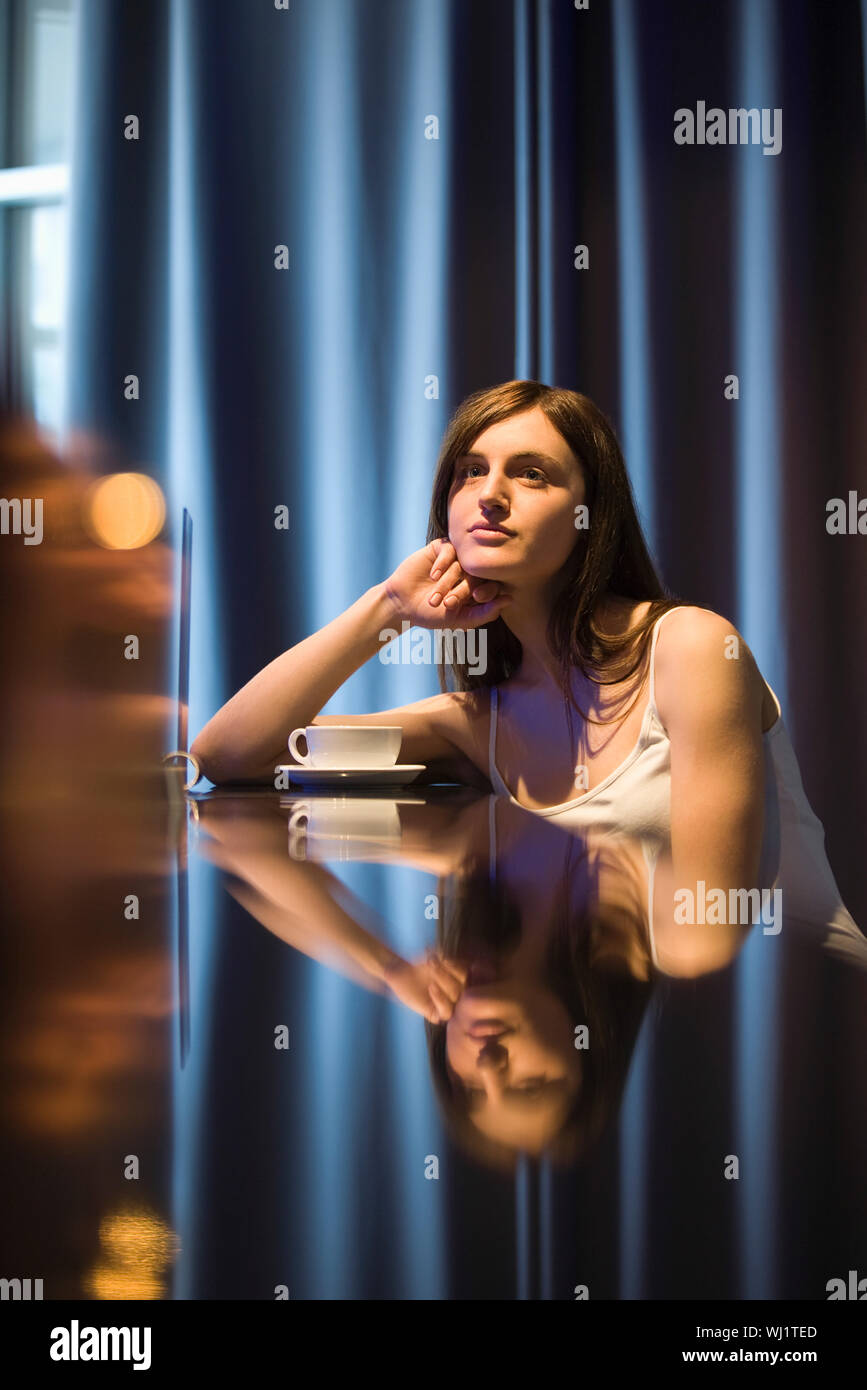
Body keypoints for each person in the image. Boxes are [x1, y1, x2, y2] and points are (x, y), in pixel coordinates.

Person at [191, 379, 861, 962]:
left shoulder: (689, 646)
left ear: (589, 517)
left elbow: (707, 932)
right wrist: (386, 608)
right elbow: (228, 756)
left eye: (532, 474)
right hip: (626, 1016)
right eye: (469, 471)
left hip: (803, 1015)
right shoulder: (475, 722)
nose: (489, 495)